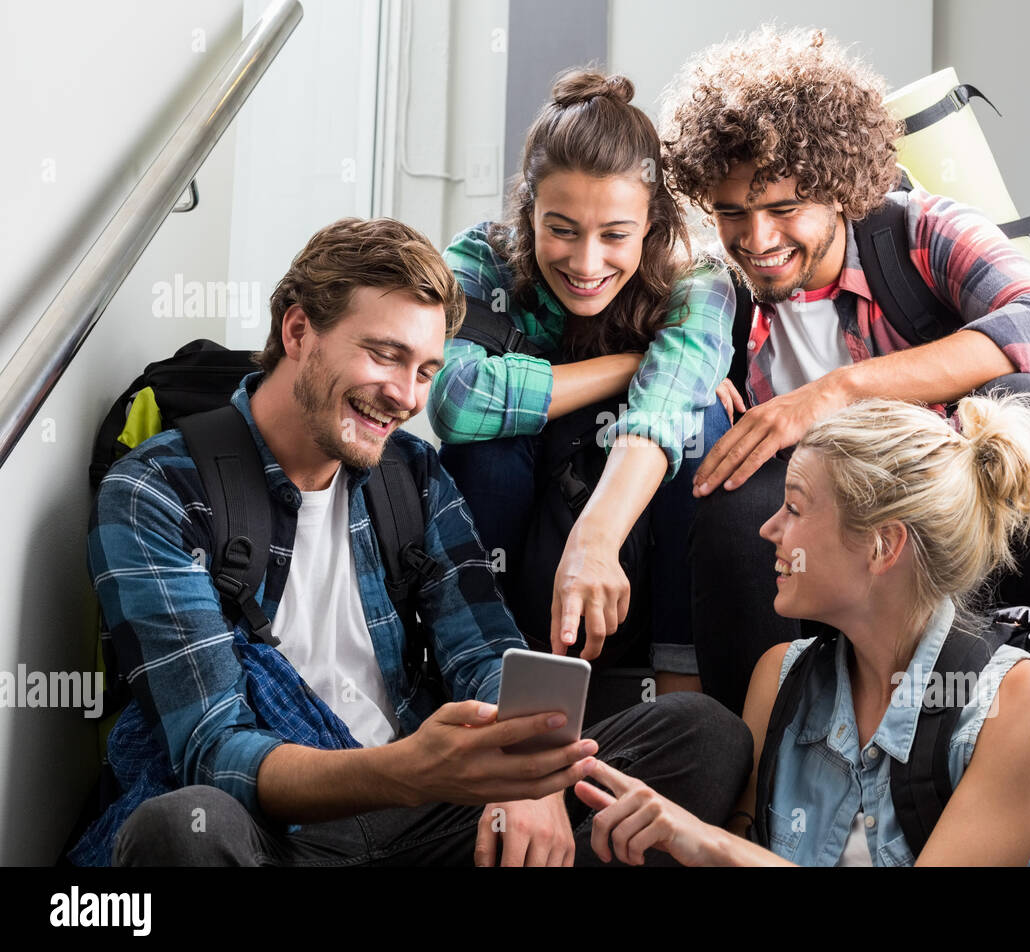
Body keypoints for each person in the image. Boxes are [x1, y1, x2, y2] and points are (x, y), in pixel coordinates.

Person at [71, 217, 750, 867]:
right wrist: (409, 770)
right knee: (180, 829)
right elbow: (214, 751)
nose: (404, 396)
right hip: (282, 834)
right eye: (384, 355)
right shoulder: (156, 491)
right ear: (299, 330)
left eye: (426, 371)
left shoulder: (411, 476)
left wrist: (528, 776)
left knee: (701, 735)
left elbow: (486, 653)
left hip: (426, 818)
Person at [657, 26, 1030, 712]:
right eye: (732, 214)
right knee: (732, 493)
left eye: (784, 209)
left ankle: (1020, 708)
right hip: (819, 546)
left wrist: (838, 392)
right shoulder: (718, 290)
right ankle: (760, 764)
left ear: (838, 188)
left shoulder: (919, 232)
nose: (758, 239)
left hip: (945, 523)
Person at [573, 394, 1030, 866]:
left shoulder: (1020, 700)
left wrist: (711, 845)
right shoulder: (779, 677)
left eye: (793, 507)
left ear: (882, 547)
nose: (769, 529)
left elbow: (726, 850)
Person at [430, 70, 735, 694]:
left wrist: (594, 541)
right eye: (561, 229)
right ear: (529, 211)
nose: (586, 263)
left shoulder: (697, 281)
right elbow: (456, 400)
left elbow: (663, 414)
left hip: (633, 535)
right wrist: (633, 365)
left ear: (651, 224)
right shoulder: (483, 259)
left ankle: (680, 691)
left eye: (616, 235)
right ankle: (489, 674)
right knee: (485, 440)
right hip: (515, 530)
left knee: (702, 422)